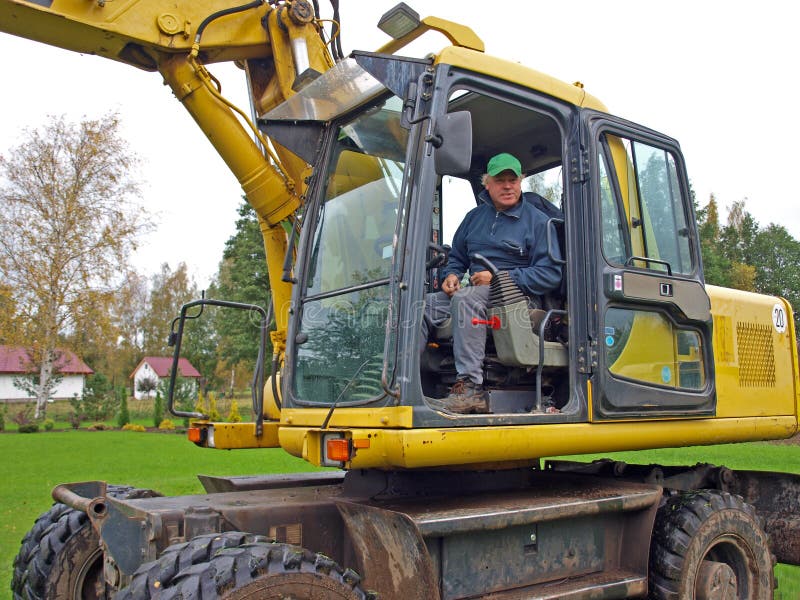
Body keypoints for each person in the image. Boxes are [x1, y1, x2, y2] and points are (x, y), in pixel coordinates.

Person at [423, 153, 562, 414]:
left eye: (513, 180)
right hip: (476, 293)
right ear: (487, 184)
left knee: (466, 300)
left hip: (518, 297)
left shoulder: (538, 222)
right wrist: (451, 276)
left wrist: (500, 277)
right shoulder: (473, 218)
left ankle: (470, 389)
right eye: (500, 180)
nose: (508, 186)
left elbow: (549, 274)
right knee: (421, 306)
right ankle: (406, 381)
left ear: (521, 182)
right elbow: (457, 257)